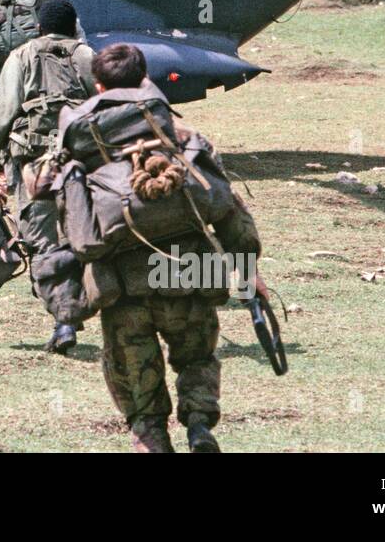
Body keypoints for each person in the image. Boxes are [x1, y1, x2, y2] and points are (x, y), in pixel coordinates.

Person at [77, 44, 266, 454]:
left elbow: (70, 224)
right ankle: (199, 426)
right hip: (191, 273)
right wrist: (249, 272)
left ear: (98, 85)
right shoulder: (182, 139)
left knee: (134, 374)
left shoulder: (84, 148)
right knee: (197, 358)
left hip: (126, 287)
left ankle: (151, 438)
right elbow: (226, 207)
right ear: (145, 80)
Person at [0, 0, 95, 354]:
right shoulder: (85, 56)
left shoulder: (20, 57)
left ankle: (64, 320)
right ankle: (78, 308)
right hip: (82, 163)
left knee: (41, 240)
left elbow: (3, 114)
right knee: (82, 235)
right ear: (73, 27)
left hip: (33, 167)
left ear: (39, 27)